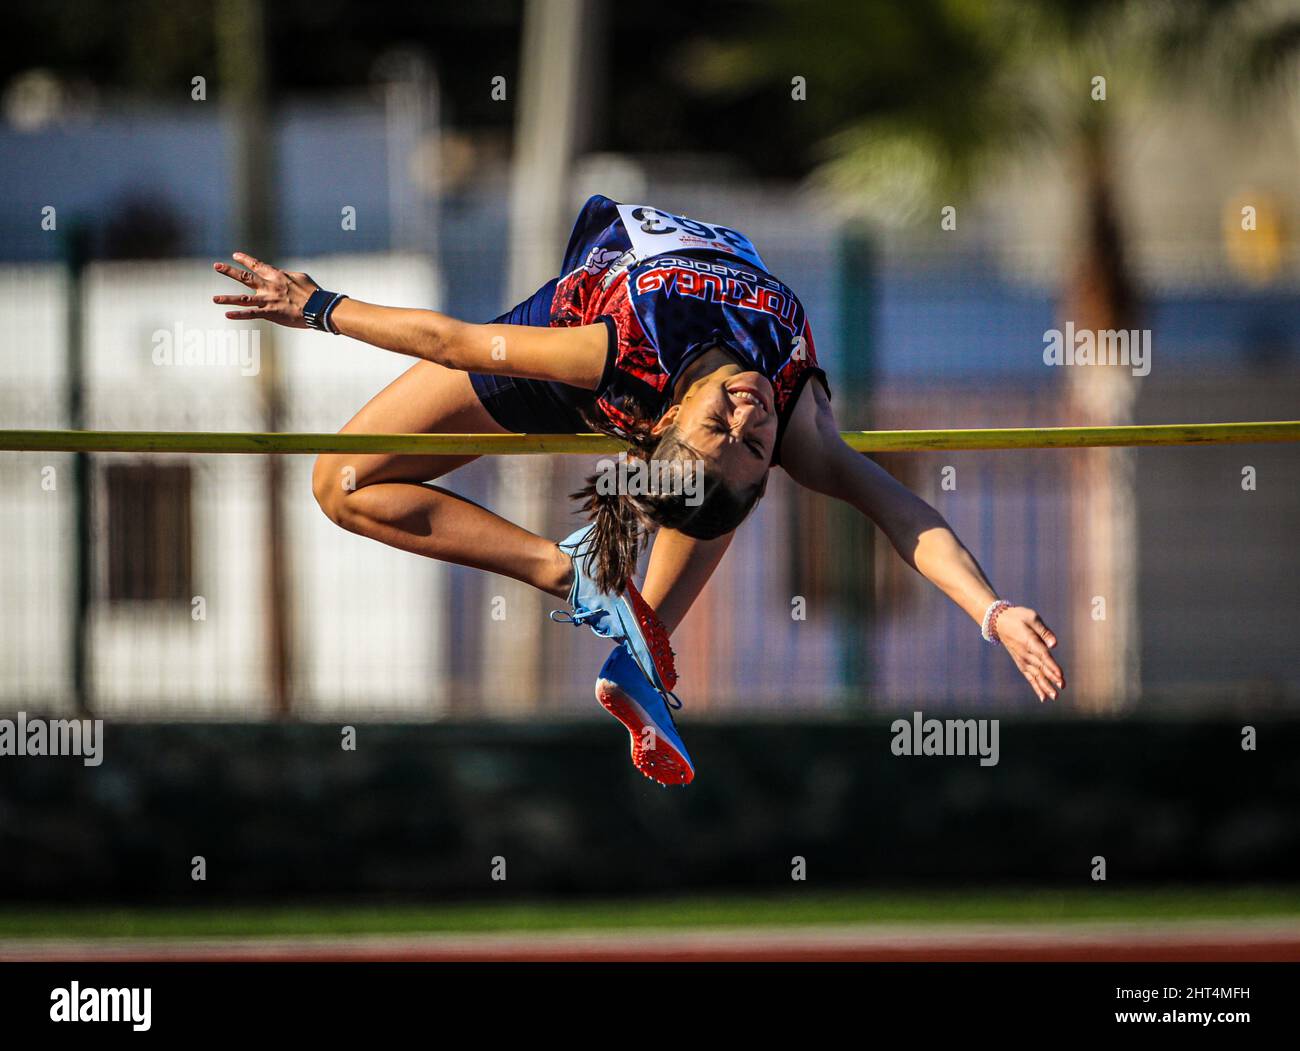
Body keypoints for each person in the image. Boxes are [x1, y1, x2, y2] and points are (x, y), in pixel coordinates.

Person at [213, 195, 1066, 786]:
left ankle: (630, 637)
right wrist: (318, 304)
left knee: (715, 491)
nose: (747, 412)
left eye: (731, 429)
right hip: (575, 340)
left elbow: (902, 513)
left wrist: (990, 610)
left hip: (606, 359)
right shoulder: (761, 393)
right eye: (750, 436)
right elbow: (456, 339)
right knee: (342, 480)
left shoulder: (668, 378)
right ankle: (584, 587)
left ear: (656, 427)